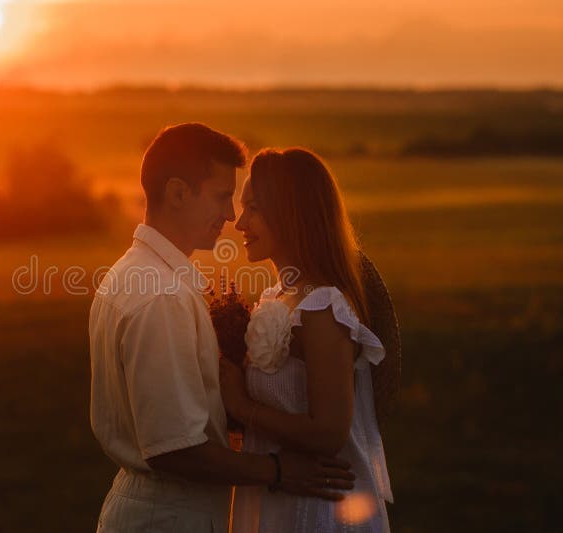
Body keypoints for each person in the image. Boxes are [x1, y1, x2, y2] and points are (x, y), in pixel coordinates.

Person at [89, 125, 355, 533]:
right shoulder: (162, 296)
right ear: (178, 194)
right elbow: (175, 451)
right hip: (171, 517)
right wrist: (278, 470)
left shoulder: (133, 274)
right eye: (220, 196)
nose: (231, 215)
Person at [222, 148, 394, 532]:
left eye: (254, 209)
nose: (240, 223)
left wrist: (242, 406)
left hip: (318, 511)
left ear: (291, 214)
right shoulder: (275, 297)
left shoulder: (321, 307)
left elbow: (330, 431)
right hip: (279, 496)